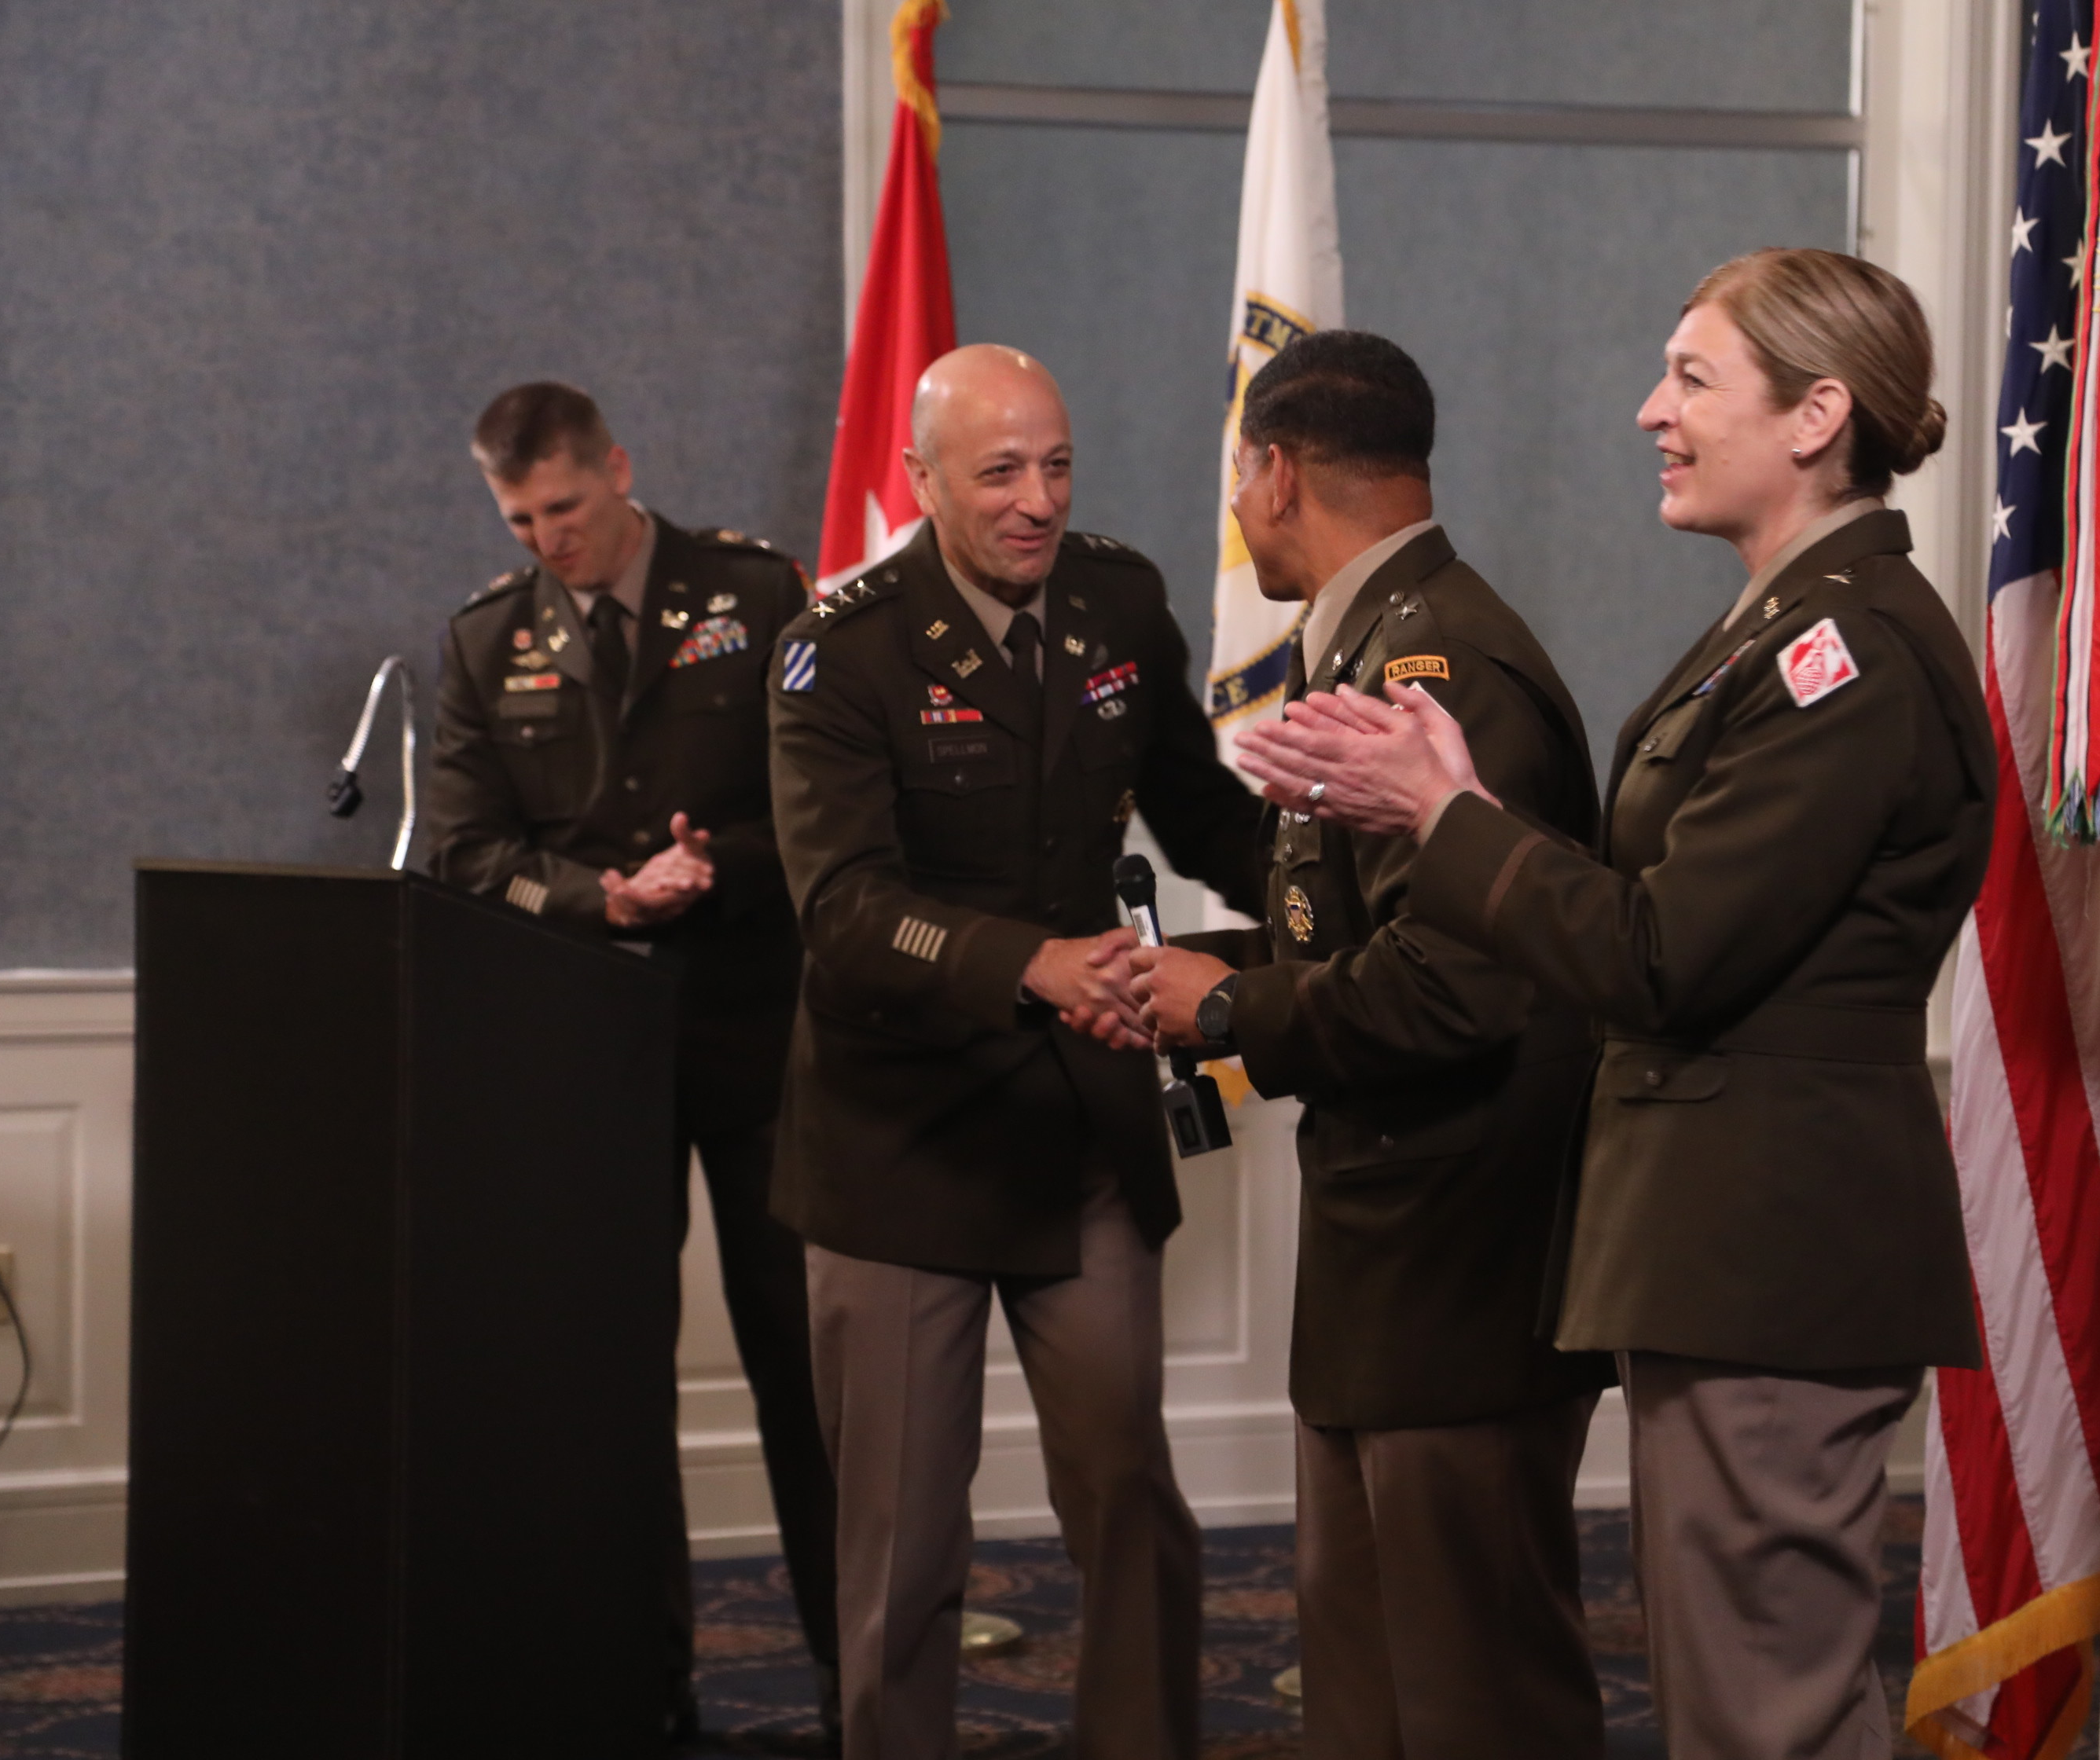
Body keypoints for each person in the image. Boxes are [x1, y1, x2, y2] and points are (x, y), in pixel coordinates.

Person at [1238, 251, 1995, 1760]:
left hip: (1772, 1248)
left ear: (1814, 416)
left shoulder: (1848, 654)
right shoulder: (1776, 631)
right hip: (1714, 1246)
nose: (1652, 409)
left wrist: (1446, 813)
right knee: (1736, 1704)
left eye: (1694, 377)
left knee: (1766, 1715)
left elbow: (1664, 955)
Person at [765, 343, 1268, 1760]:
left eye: (1056, 464)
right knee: (905, 1554)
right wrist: (1030, 966)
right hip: (896, 1148)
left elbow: (1197, 805)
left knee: (1130, 1506)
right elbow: (844, 911)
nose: (1036, 500)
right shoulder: (839, 648)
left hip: (1078, 1130)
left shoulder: (1119, 596)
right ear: (922, 481)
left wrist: (1326, 898)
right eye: (998, 472)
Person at [1122, 330, 1610, 1760]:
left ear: (1271, 473)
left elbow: (1457, 991)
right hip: (1398, 1268)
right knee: (1377, 1683)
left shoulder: (1436, 667)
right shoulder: (1387, 636)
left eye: (1236, 476)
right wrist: (1199, 968)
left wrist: (1220, 1012)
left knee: (1472, 1693)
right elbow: (1362, 939)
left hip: (1456, 1269)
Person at [426, 381, 841, 1745]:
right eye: (522, 518)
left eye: (567, 506)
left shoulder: (757, 590)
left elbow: (834, 812)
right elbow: (466, 854)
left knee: (807, 1367)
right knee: (613, 1380)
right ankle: (642, 1698)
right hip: (589, 1047)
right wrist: (602, 900)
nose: (550, 537)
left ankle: (861, 1687)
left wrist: (709, 869)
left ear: (618, 468)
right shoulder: (487, 641)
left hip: (758, 1027)